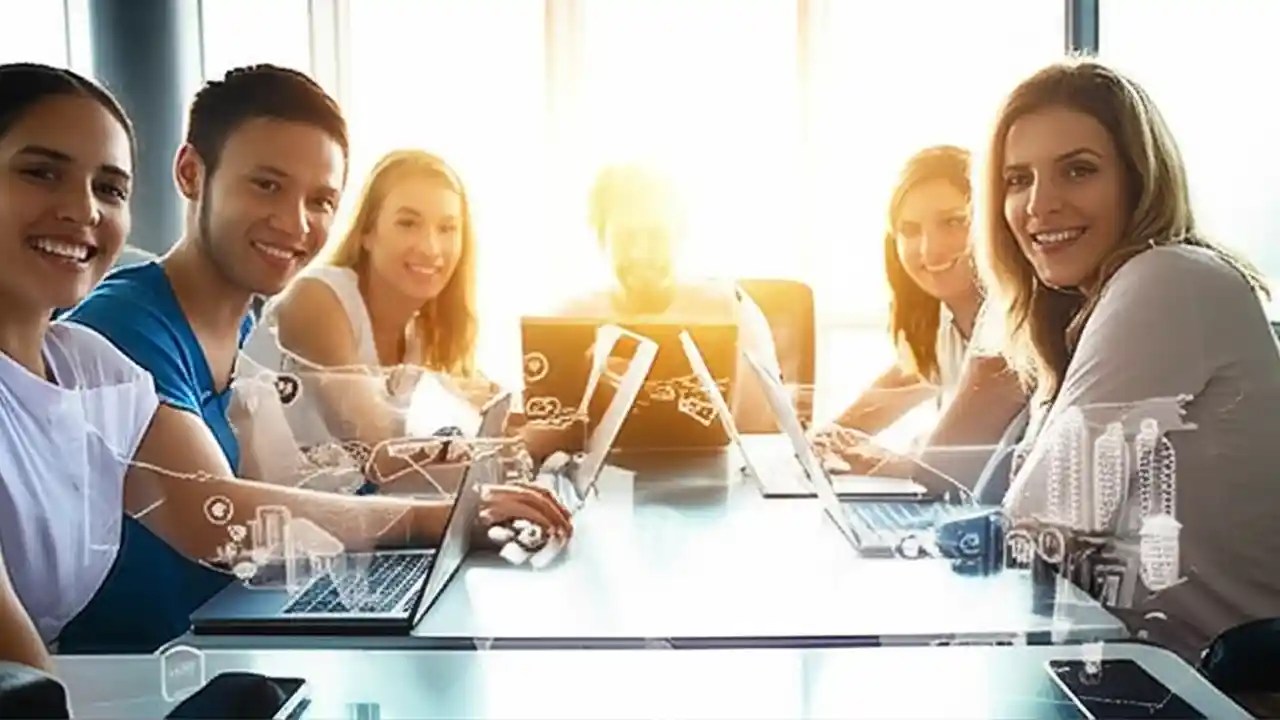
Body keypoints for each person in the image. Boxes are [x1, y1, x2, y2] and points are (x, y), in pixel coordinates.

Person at [0, 63, 570, 655]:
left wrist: (458, 496)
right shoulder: (123, 328)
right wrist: (439, 517)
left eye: (321, 200)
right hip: (150, 665)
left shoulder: (229, 330)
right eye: (266, 185)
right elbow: (218, 520)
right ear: (192, 173)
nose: (295, 223)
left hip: (234, 642)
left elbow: (314, 476)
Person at [980, 59, 1280, 660]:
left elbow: (1042, 526)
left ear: (1139, 180)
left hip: (1216, 687)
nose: (1041, 204)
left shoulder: (1169, 279)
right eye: (1018, 179)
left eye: (1078, 171)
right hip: (1141, 662)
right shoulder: (1098, 304)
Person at [556, 163, 780, 434]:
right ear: (603, 240)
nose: (641, 253)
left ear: (680, 235)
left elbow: (761, 434)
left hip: (712, 472)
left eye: (656, 236)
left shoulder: (729, 310)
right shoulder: (567, 321)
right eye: (626, 238)